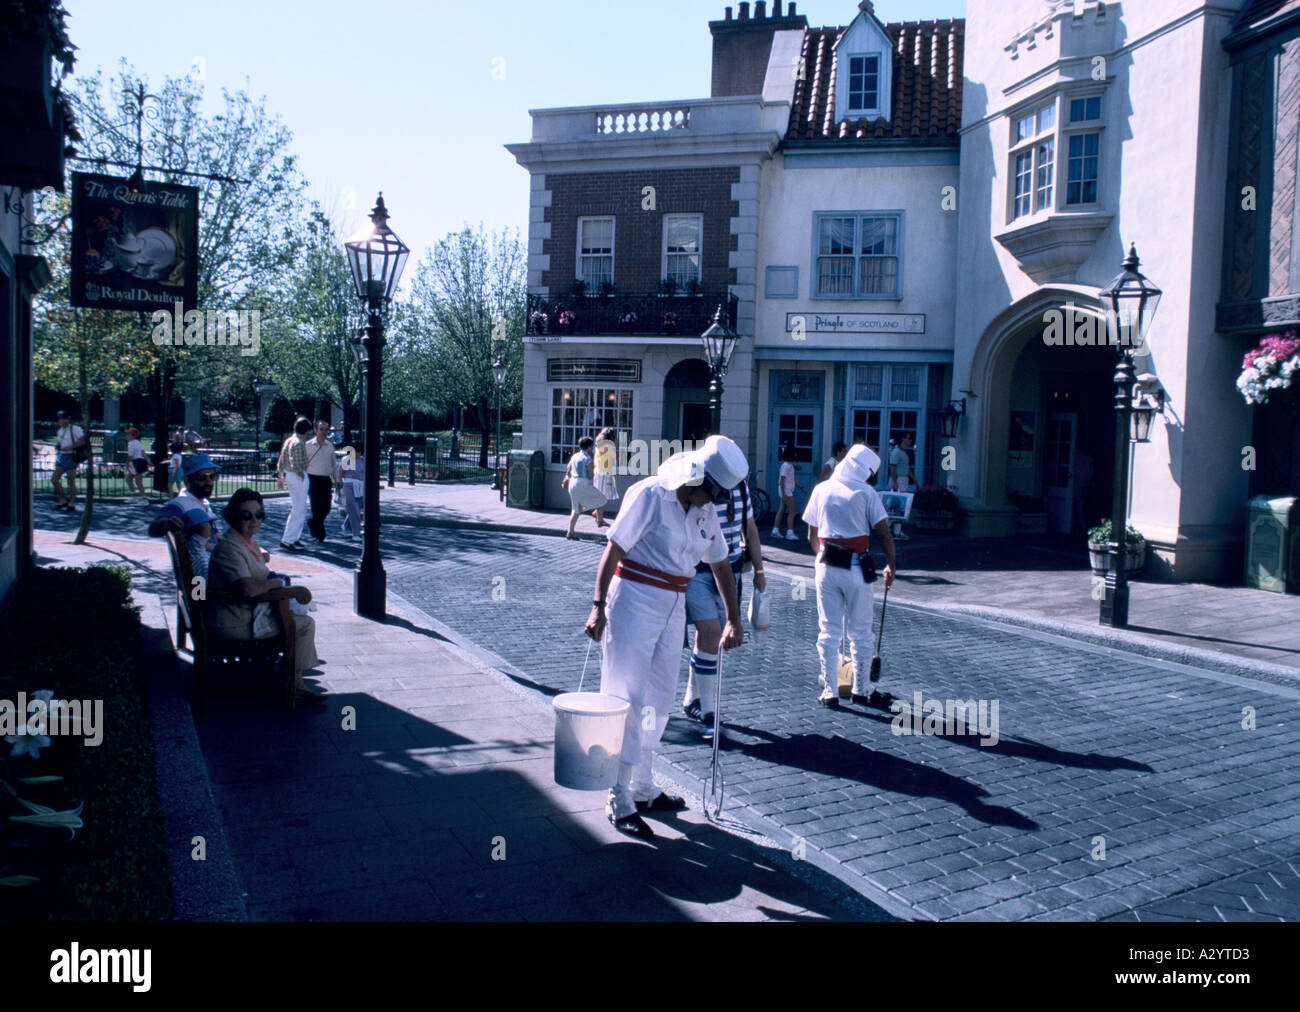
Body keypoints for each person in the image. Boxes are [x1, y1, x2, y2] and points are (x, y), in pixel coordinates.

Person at [584, 435, 747, 840]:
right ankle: (618, 796)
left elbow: (721, 563)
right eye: (711, 491)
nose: (713, 500)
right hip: (634, 599)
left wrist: (733, 618)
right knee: (626, 695)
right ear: (694, 479)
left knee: (657, 697)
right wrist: (598, 603)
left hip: (674, 602)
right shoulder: (650, 495)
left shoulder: (705, 513)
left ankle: (643, 785)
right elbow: (615, 548)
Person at [802, 444, 898, 710]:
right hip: (857, 566)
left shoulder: (821, 489)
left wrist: (823, 557)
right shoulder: (866, 493)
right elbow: (884, 533)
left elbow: (812, 535)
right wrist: (891, 565)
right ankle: (862, 688)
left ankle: (831, 691)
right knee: (860, 632)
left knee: (828, 630)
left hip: (826, 563)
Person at [207, 488, 326, 702]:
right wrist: (276, 584)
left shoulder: (246, 542)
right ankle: (293, 683)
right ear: (234, 516)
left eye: (259, 515)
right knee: (304, 624)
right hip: (236, 622)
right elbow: (248, 589)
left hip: (245, 613)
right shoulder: (229, 549)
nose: (254, 521)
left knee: (297, 615)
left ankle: (287, 674)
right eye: (247, 515)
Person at [680, 468, 766, 739]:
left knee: (710, 639)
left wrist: (760, 571)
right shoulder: (699, 485)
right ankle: (709, 712)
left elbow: (749, 527)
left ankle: (690, 699)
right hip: (700, 571)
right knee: (711, 633)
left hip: (731, 570)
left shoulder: (741, 488)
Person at [148, 453, 222, 581]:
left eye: (212, 476)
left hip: (213, 569)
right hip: (203, 579)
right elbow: (154, 528)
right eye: (201, 478)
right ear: (187, 480)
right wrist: (168, 523)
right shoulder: (181, 504)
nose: (209, 482)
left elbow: (216, 537)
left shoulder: (201, 502)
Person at [276, 417, 312, 551]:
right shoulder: (298, 442)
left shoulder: (289, 440)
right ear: (306, 431)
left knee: (300, 508)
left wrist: (280, 476)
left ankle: (295, 537)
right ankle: (287, 539)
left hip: (290, 475)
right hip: (297, 475)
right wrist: (300, 472)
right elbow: (294, 462)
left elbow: (281, 460)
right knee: (298, 508)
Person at [563, 436, 606, 539]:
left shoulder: (574, 456)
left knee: (575, 509)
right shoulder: (587, 458)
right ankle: (599, 521)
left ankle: (570, 532)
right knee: (602, 499)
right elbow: (591, 474)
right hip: (582, 483)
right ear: (589, 446)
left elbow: (568, 468)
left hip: (573, 483)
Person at [304, 419, 340, 544]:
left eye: (326, 430)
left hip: (326, 479)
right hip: (313, 479)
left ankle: (313, 522)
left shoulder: (330, 445)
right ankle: (319, 534)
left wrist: (337, 479)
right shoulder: (308, 445)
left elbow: (334, 464)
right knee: (316, 507)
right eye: (321, 429)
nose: (324, 432)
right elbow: (303, 464)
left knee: (326, 507)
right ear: (315, 430)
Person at [51, 410, 87, 511]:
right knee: (54, 479)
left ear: (68, 419)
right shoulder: (60, 431)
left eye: (65, 418)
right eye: (61, 419)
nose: (63, 421)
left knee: (70, 480)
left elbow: (83, 440)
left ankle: (71, 503)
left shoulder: (74, 429)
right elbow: (61, 443)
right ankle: (62, 500)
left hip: (72, 455)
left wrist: (70, 447)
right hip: (62, 456)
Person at [770, 442, 805, 541]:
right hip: (786, 492)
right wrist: (784, 494)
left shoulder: (789, 465)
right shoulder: (786, 466)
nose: (796, 455)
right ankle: (790, 532)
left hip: (786, 491)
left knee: (781, 511)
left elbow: (792, 479)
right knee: (793, 511)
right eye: (794, 453)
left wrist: (801, 487)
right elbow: (782, 480)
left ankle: (775, 530)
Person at [888, 432, 917, 541]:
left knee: (901, 507)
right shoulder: (896, 452)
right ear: (903, 439)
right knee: (895, 507)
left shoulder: (904, 453)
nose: (910, 441)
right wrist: (895, 483)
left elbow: (907, 468)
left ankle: (896, 531)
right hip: (898, 479)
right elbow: (892, 468)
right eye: (908, 438)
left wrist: (915, 481)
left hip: (903, 479)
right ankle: (891, 531)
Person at [592, 426, 619, 527]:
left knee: (602, 496)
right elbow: (616, 457)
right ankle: (599, 520)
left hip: (599, 472)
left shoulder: (599, 444)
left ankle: (597, 513)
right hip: (604, 473)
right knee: (602, 497)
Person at [339, 439, 365, 543]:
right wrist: (340, 487)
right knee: (354, 509)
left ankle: (346, 526)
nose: (358, 453)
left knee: (357, 508)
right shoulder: (346, 459)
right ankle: (356, 533)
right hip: (348, 485)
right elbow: (340, 473)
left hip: (359, 486)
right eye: (356, 451)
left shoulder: (363, 460)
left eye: (359, 451)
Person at [125, 427, 149, 500]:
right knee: (128, 478)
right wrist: (148, 461)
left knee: (138, 482)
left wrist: (127, 463)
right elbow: (143, 452)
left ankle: (143, 499)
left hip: (136, 462)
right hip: (140, 462)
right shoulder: (138, 442)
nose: (126, 436)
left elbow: (130, 456)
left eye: (128, 434)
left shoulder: (131, 443)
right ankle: (134, 496)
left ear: (133, 435)